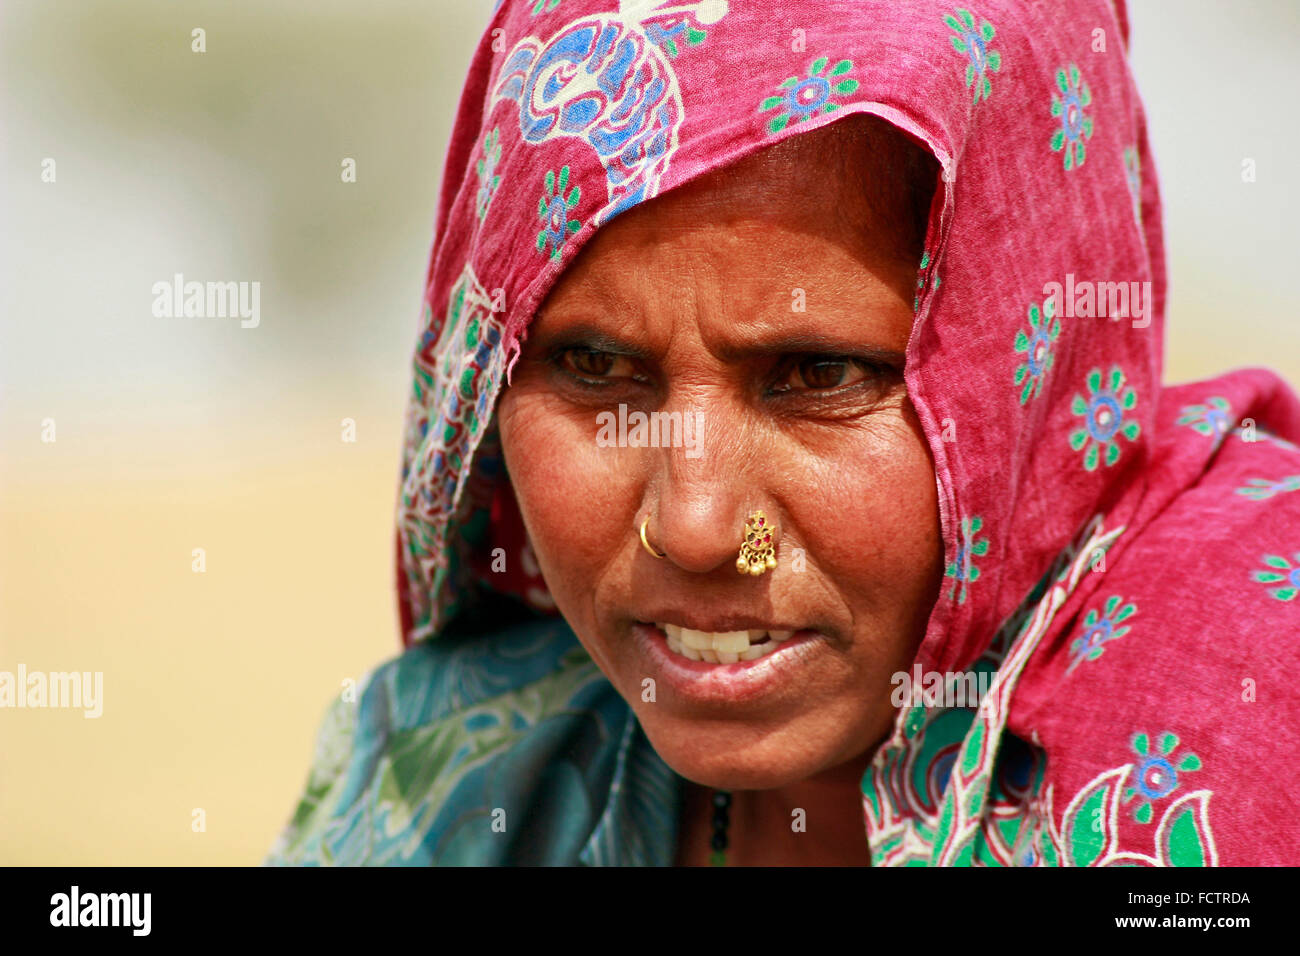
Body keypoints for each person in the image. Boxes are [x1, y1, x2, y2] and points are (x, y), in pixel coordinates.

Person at [266, 0, 1300, 866]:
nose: (698, 528)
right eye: (592, 368)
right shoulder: (453, 775)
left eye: (818, 376)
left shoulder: (1253, 727)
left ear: (1029, 369)